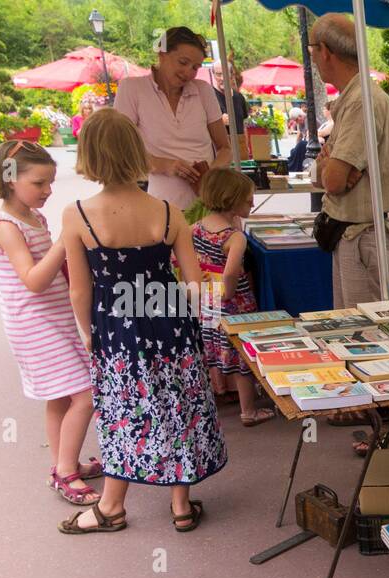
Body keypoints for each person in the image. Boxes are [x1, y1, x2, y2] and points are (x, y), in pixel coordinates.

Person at [58, 108, 227, 534]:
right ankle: (181, 506)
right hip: (168, 319)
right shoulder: (169, 212)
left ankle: (112, 507)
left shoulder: (77, 214)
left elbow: (80, 289)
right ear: (137, 152)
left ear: (90, 156)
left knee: (125, 410)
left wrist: (87, 332)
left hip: (117, 328)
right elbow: (191, 282)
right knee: (179, 403)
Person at [0, 140, 99, 506]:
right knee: (84, 394)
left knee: (61, 396)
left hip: (55, 318)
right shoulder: (6, 226)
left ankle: (63, 462)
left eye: (50, 182)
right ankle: (65, 472)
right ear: (8, 180)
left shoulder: (35, 219)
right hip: (34, 325)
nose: (48, 191)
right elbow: (34, 280)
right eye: (39, 183)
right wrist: (66, 241)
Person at [308, 12, 389, 309]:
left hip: (362, 239)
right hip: (357, 236)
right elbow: (325, 174)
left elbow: (334, 180)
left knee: (363, 335)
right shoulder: (357, 96)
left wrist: (330, 167)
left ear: (325, 51)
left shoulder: (361, 99)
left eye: (312, 50)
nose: (312, 57)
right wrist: (329, 166)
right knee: (353, 330)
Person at [113, 26, 231, 211]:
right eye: (183, 62)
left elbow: (225, 149)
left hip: (209, 204)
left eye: (195, 67)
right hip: (160, 205)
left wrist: (210, 174)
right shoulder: (132, 89)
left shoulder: (203, 90)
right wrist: (165, 165)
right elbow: (121, 151)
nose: (188, 72)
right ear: (162, 54)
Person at [193, 167, 274, 427]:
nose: (252, 202)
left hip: (208, 303)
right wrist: (227, 291)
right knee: (242, 361)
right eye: (248, 197)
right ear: (231, 199)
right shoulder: (234, 237)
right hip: (234, 304)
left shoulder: (195, 228)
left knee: (214, 354)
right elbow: (230, 275)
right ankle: (248, 411)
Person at [212, 64, 249, 136]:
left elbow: (244, 123)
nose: (222, 78)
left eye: (225, 74)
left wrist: (246, 144)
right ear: (213, 75)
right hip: (220, 145)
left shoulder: (239, 97)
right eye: (218, 74)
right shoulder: (208, 96)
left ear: (231, 75)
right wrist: (219, 122)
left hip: (240, 143)